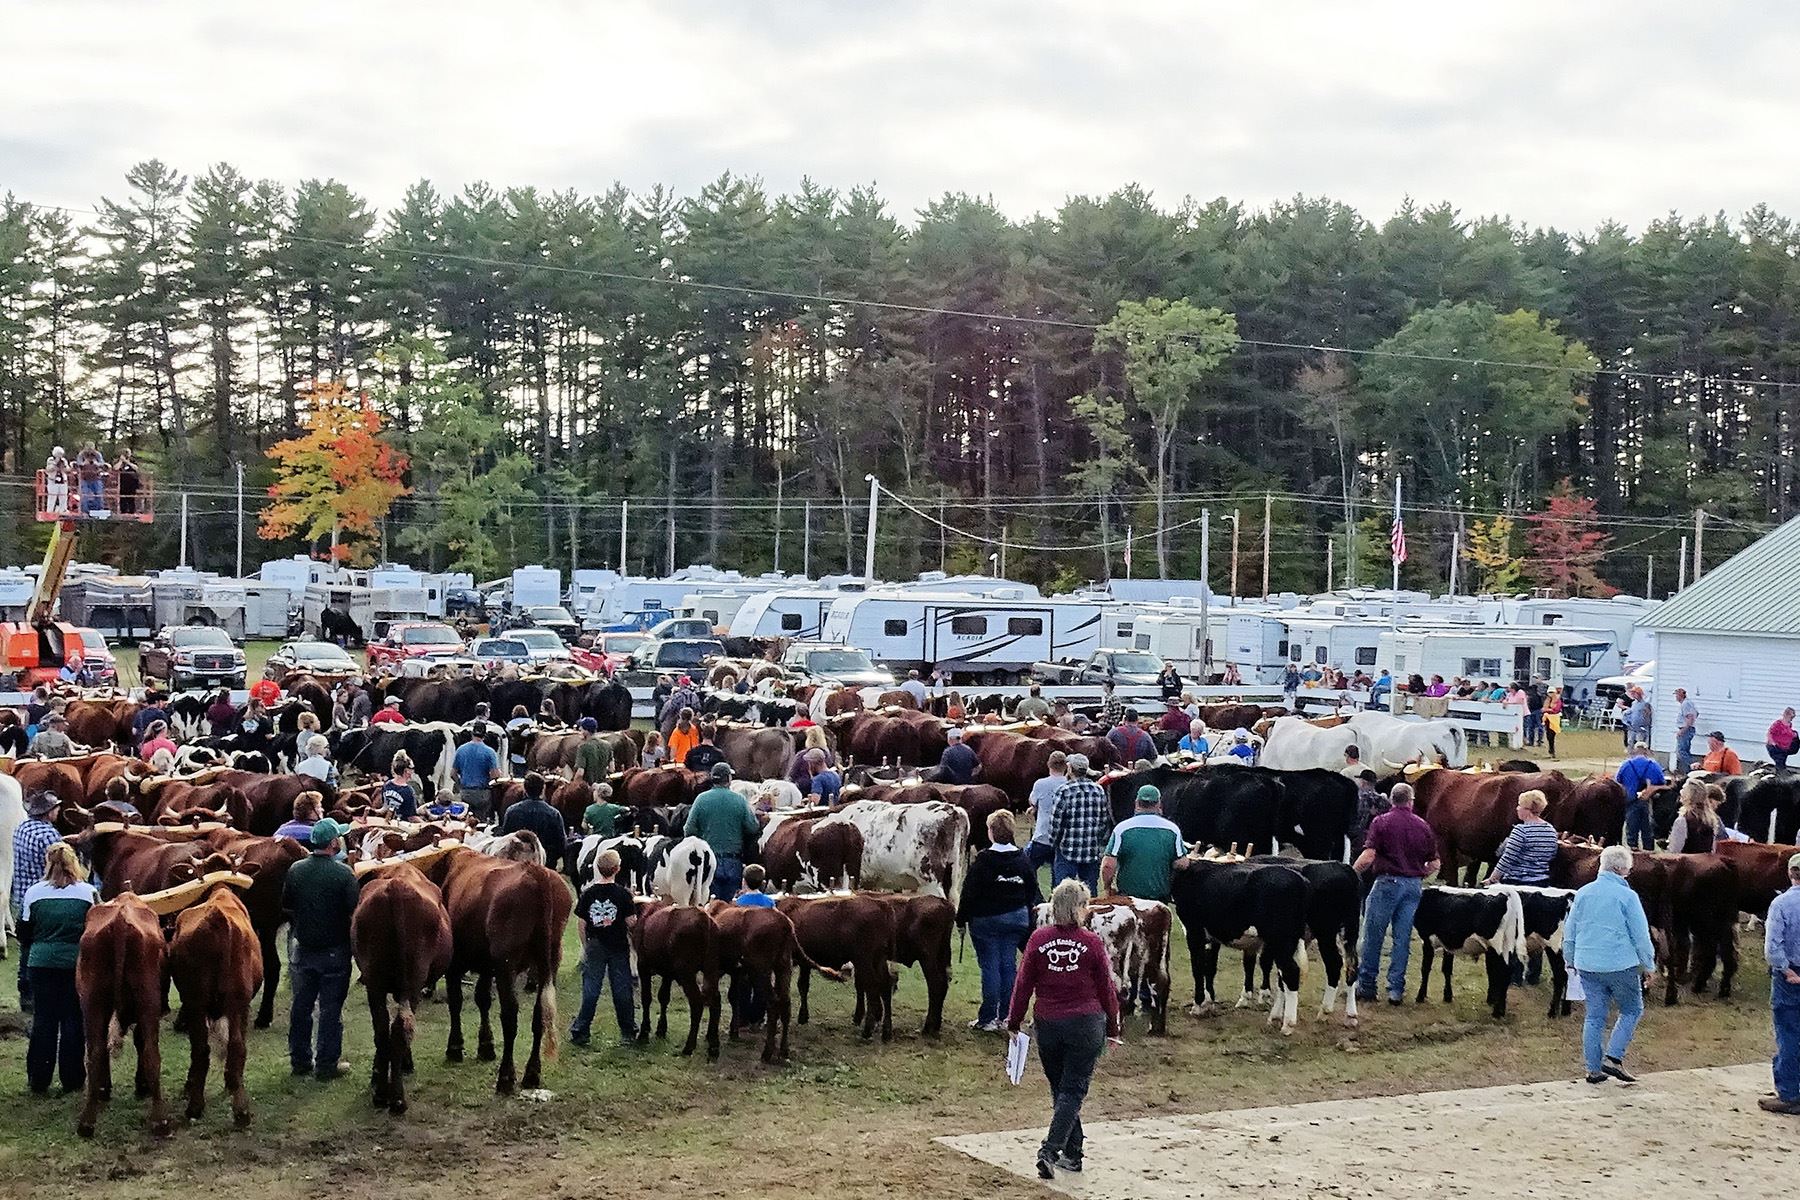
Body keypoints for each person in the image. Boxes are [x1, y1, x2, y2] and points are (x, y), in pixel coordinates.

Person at [1007, 878, 1120, 1180]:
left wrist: (1014, 1020)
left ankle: (1073, 1152)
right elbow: (1106, 988)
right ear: (1079, 908)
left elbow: (1023, 984)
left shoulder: (1038, 939)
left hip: (1049, 1024)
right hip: (1086, 1024)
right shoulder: (1091, 942)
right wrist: (1114, 1026)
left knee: (1062, 1090)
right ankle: (1051, 1150)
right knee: (1072, 1090)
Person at [1563, 845, 1657, 1085]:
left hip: (1587, 963)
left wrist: (1570, 958)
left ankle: (1593, 1069)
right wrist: (1649, 965)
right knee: (1632, 1009)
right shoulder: (1628, 897)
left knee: (1594, 1016)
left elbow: (1570, 930)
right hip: (1620, 964)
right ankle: (1614, 1056)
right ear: (1623, 870)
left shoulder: (1582, 893)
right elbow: (1640, 935)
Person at [283, 819, 361, 1080]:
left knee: (300, 1007)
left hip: (303, 949)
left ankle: (300, 1060)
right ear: (334, 843)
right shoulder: (344, 874)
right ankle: (327, 1064)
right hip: (334, 952)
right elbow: (354, 911)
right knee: (330, 1009)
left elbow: (287, 905)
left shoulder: (296, 870)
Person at [1353, 782, 1439, 1004]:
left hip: (1387, 882)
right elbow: (1435, 863)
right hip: (1413, 886)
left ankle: (1367, 985)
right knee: (1402, 938)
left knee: (1374, 935)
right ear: (1411, 802)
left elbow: (1369, 856)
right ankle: (1395, 989)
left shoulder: (1381, 822)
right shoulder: (1423, 825)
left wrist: (1351, 873)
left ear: (1392, 800)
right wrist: (1419, 874)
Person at [20, 842, 96, 1094]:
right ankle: (72, 1079)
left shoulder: (33, 893)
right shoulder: (87, 893)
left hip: (41, 963)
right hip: (75, 964)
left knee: (43, 1019)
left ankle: (38, 1078)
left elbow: (24, 932)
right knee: (73, 1019)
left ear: (48, 863)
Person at [958, 810, 1039, 1032]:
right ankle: (1007, 1016)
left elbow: (969, 892)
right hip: (1017, 919)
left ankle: (988, 1018)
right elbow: (1032, 890)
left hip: (987, 920)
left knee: (990, 967)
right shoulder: (1022, 859)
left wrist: (961, 918)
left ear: (991, 832)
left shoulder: (984, 861)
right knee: (1008, 966)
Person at [569, 847, 638, 1047]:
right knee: (622, 989)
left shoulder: (588, 893)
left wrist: (586, 945)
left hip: (595, 945)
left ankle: (581, 1030)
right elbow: (631, 922)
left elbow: (581, 923)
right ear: (617, 869)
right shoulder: (623, 894)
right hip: (618, 946)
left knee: (591, 989)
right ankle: (627, 1032)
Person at [11, 791, 65, 1011]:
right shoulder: (49, 835)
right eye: (56, 808)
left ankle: (25, 991)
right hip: (45, 898)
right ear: (48, 812)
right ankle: (45, 992)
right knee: (46, 944)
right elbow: (62, 864)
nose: (58, 811)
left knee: (27, 945)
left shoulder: (21, 828)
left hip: (23, 896)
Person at [1760, 852, 1800, 1114]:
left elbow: (1773, 948)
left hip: (1791, 975)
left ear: (1790, 873)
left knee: (1789, 1033)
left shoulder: (1781, 904)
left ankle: (1789, 1093)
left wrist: (1787, 971)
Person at [685, 762, 760, 901]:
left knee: (710, 903)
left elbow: (688, 830)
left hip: (708, 860)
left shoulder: (701, 799)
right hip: (733, 861)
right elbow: (753, 827)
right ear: (728, 779)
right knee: (730, 906)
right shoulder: (739, 800)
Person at [1100, 785, 1185, 902]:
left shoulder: (1122, 829)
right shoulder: (1172, 830)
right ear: (1159, 804)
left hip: (1128, 901)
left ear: (1136, 803)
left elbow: (1108, 865)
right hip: (1158, 902)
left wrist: (1107, 887)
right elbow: (1181, 863)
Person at [1047, 754, 1109, 890]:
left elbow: (1055, 823)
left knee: (1063, 891)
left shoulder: (1064, 791)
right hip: (1091, 850)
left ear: (1069, 768)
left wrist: (1053, 842)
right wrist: (1096, 840)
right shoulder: (1098, 790)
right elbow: (1104, 821)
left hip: (1067, 850)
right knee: (1089, 891)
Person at [1486, 789, 1559, 887]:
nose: (1517, 808)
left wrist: (1492, 879)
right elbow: (1552, 855)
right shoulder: (1551, 830)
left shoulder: (1521, 830)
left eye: (1520, 805)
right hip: (1542, 882)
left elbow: (1507, 858)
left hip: (1517, 882)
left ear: (1528, 810)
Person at [500, 772, 567, 868]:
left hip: (517, 866)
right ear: (543, 789)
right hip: (546, 866)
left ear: (525, 789)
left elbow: (505, 840)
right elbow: (561, 844)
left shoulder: (511, 812)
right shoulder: (554, 814)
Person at [1615, 742, 1667, 851]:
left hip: (1631, 801)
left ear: (1634, 751)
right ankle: (1649, 853)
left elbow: (1618, 780)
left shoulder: (1626, 765)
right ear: (1646, 751)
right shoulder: (1654, 765)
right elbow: (1662, 782)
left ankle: (1633, 852)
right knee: (1648, 831)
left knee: (1631, 830)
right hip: (1648, 801)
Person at [1025, 751, 1068, 873]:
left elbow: (1032, 801)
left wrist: (1036, 807)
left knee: (1027, 868)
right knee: (1059, 875)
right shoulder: (1070, 784)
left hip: (1042, 836)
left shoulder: (1040, 784)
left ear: (1049, 765)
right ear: (1065, 766)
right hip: (1063, 839)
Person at [452, 721, 500, 821]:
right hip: (483, 793)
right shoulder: (490, 752)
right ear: (484, 735)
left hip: (466, 793)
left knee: (467, 822)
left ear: (472, 733)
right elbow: (495, 775)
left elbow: (453, 774)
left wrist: (460, 784)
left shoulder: (461, 750)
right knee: (481, 822)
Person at [1666, 778, 1723, 854]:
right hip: (1706, 860)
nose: (1680, 791)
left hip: (1686, 860)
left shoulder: (1683, 821)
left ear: (1688, 795)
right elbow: (1713, 847)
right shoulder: (1711, 819)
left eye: (1683, 789)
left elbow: (1674, 851)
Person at [1348, 769, 1388, 860]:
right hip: (1376, 841)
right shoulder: (1382, 800)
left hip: (1357, 840)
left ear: (1363, 782)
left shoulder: (1357, 799)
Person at [573, 717, 613, 785]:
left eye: (581, 728)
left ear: (586, 731)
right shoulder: (607, 745)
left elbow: (580, 773)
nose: (579, 729)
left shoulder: (583, 747)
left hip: (589, 787)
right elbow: (611, 769)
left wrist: (573, 785)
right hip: (603, 785)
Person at [380, 753, 419, 820]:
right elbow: (411, 817)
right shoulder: (408, 791)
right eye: (412, 769)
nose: (413, 771)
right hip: (401, 823)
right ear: (406, 771)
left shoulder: (387, 785)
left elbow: (384, 806)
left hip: (387, 820)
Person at [73, 442, 106, 513]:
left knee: (98, 494)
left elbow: (102, 463)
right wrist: (84, 463)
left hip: (96, 478)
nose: (90, 450)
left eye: (91, 448)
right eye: (88, 448)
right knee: (84, 495)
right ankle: (84, 511)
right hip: (84, 478)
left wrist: (96, 463)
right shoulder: (81, 454)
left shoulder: (97, 454)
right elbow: (78, 463)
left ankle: (99, 510)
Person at [1674, 688, 1700, 772]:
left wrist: (1683, 730)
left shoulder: (1686, 704)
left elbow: (1690, 717)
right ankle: (1689, 771)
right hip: (1688, 729)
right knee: (1685, 751)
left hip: (1686, 730)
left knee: (1681, 752)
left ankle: (1695, 766)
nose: (1676, 697)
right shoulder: (1688, 703)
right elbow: (1696, 713)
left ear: (1681, 695)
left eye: (1676, 695)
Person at [505, 704, 532, 776]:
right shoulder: (531, 722)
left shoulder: (511, 723)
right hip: (529, 755)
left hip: (515, 755)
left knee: (517, 775)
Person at [112, 447, 140, 515]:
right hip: (122, 482)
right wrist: (121, 461)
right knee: (123, 497)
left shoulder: (133, 461)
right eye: (125, 452)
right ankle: (123, 511)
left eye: (128, 453)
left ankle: (131, 512)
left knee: (131, 498)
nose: (127, 454)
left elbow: (136, 468)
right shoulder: (119, 461)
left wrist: (127, 461)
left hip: (132, 482)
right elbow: (115, 468)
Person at [43, 446, 70, 515]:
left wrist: (64, 467)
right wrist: (55, 463)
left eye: (61, 454)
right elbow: (49, 469)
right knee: (52, 496)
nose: (60, 456)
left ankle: (63, 510)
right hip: (53, 480)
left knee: (63, 496)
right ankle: (50, 511)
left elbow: (68, 469)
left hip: (63, 481)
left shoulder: (64, 460)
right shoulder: (50, 460)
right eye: (58, 454)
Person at [1544, 688, 1563, 759]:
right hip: (1548, 720)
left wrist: (1548, 710)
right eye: (1549, 692)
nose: (1550, 694)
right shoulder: (1547, 701)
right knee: (1548, 735)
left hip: (1554, 720)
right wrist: (1549, 710)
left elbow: (1556, 710)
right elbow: (1544, 709)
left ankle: (1552, 751)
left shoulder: (1558, 701)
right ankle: (1551, 750)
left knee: (1552, 735)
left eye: (1552, 692)